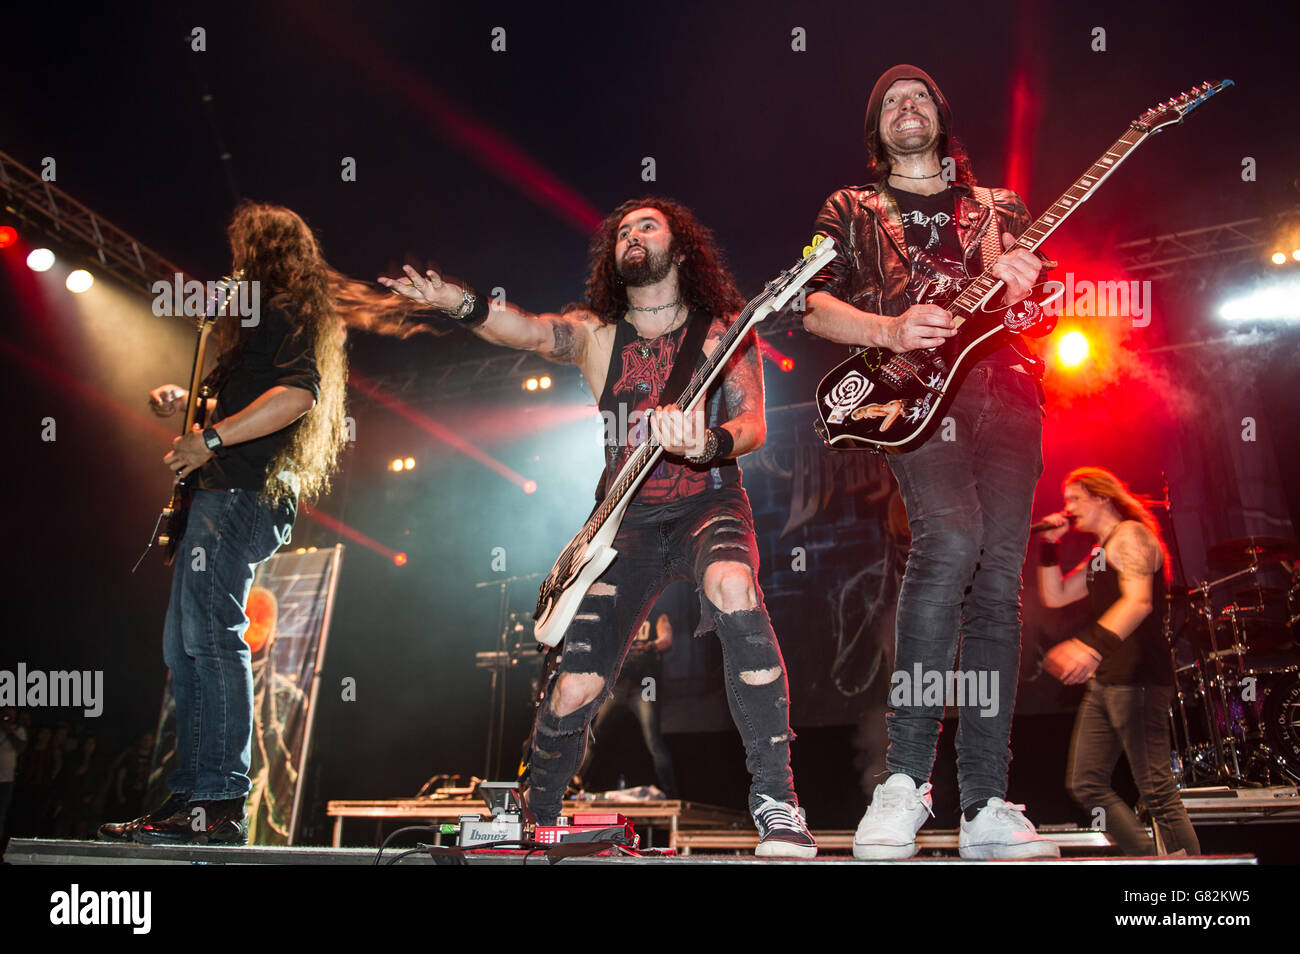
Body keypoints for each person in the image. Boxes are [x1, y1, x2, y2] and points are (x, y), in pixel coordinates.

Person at [381, 197, 815, 857]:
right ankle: (535, 818)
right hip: (623, 525)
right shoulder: (596, 333)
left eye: (648, 225)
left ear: (682, 246)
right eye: (620, 232)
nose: (631, 236)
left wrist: (703, 443)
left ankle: (777, 803)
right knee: (575, 685)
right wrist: (460, 304)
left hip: (709, 503)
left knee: (733, 586)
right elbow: (525, 330)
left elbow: (754, 425)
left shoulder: (727, 330)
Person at [100, 202, 420, 845]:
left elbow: (298, 394)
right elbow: (247, 397)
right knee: (183, 647)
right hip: (222, 494)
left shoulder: (284, 305)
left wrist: (210, 439)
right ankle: (192, 797)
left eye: (243, 247)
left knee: (212, 639)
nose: (235, 259)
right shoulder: (254, 319)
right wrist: (185, 401)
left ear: (264, 249)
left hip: (239, 495)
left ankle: (217, 800)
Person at [803, 64, 1059, 859]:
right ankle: (904, 780)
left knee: (997, 582)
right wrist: (885, 331)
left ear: (942, 119)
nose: (905, 108)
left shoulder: (1000, 208)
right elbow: (810, 305)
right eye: (889, 103)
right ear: (877, 131)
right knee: (949, 544)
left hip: (1008, 390)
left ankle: (986, 802)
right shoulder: (851, 208)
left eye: (918, 98)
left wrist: (1028, 289)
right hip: (915, 397)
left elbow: (1042, 313)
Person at [1038, 466, 1200, 856]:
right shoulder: (1101, 551)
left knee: (1156, 790)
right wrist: (1048, 546)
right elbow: (1056, 595)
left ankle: (1191, 879)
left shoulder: (1130, 536)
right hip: (1109, 680)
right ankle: (1147, 861)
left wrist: (1088, 647)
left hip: (1139, 677)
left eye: (1076, 498)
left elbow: (1139, 601)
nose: (1069, 507)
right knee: (1086, 783)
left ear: (1102, 498)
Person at [579, 612, 679, 798]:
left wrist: (650, 646)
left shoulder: (656, 613)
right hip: (618, 684)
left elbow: (667, 638)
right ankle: (578, 786)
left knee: (653, 740)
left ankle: (670, 793)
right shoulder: (621, 614)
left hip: (646, 684)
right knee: (595, 736)